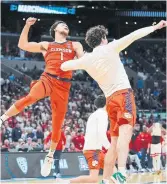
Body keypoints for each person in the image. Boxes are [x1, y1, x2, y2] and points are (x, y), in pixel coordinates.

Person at [60, 20, 167, 183]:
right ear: (103, 38)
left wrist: (73, 51)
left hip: (110, 101)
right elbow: (133, 35)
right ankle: (122, 173)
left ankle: (108, 179)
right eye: (106, 37)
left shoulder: (86, 60)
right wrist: (155, 27)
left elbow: (64, 66)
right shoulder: (109, 48)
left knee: (114, 142)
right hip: (123, 95)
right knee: (126, 134)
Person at [0, 17, 84, 177]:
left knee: (57, 123)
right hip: (48, 79)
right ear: (55, 30)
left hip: (64, 85)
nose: (65, 26)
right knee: (31, 97)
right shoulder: (47, 45)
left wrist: (83, 60)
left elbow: (84, 61)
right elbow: (22, 45)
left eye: (67, 25)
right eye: (62, 24)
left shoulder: (75, 45)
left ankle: (50, 155)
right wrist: (26, 25)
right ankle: (2, 118)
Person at [56, 95, 115, 183]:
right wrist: (109, 148)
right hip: (93, 151)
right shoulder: (103, 114)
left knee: (112, 167)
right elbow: (101, 133)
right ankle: (65, 182)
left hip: (95, 150)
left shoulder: (94, 115)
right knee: (93, 178)